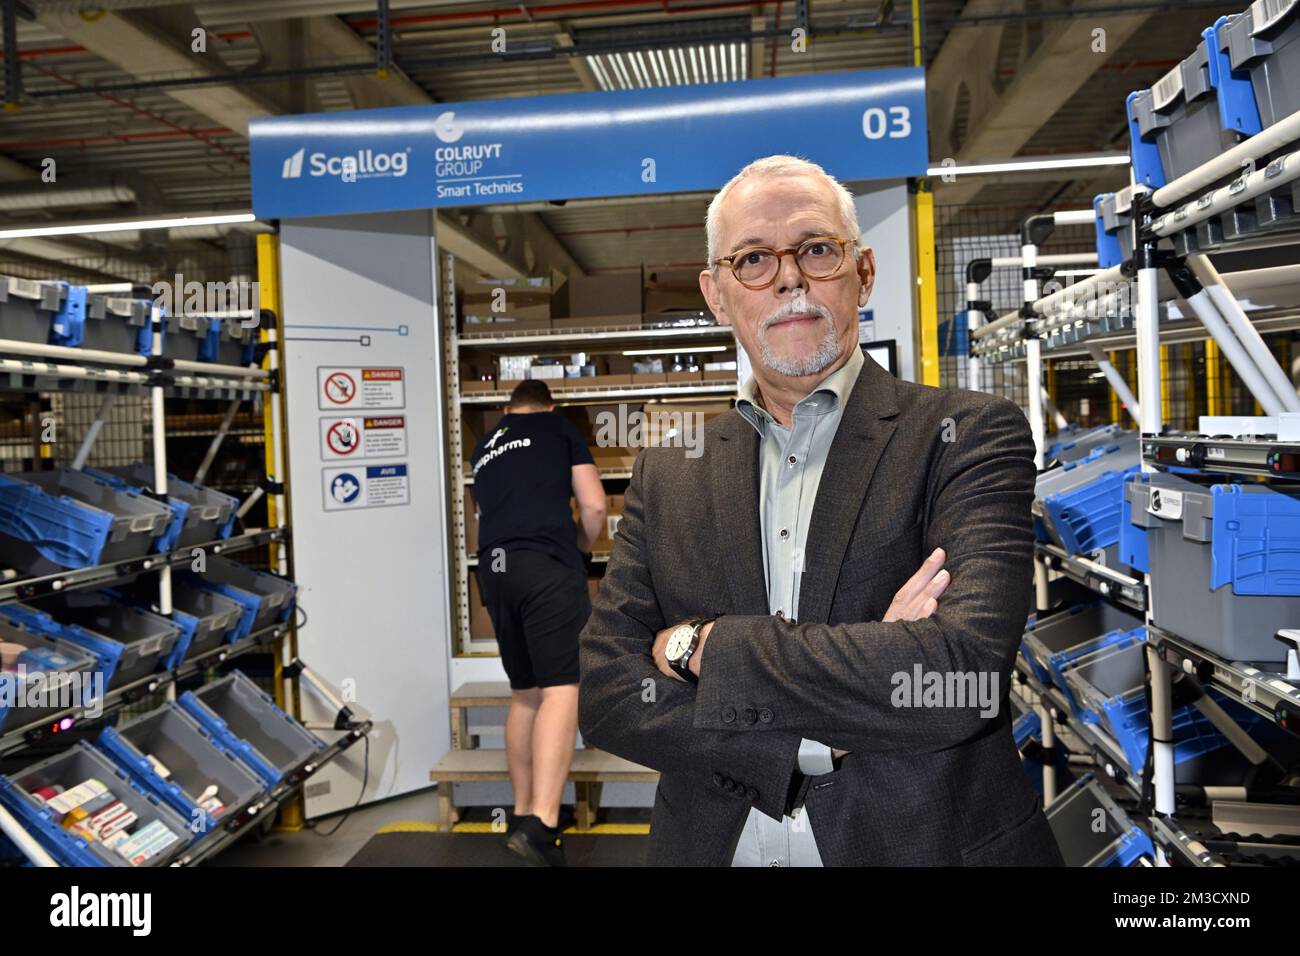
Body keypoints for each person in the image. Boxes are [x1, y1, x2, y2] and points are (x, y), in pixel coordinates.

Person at [578, 155, 1065, 866]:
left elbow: (959, 673)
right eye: (753, 259)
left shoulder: (966, 435)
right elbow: (608, 693)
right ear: (717, 295)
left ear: (863, 272)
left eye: (816, 249)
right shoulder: (669, 468)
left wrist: (703, 647)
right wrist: (808, 740)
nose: (789, 278)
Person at [471, 378, 606, 866]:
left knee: (524, 692)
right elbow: (592, 504)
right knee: (562, 687)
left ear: (510, 407)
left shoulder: (484, 443)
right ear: (549, 404)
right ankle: (545, 823)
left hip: (496, 569)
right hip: (545, 565)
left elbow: (487, 511)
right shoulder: (559, 428)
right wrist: (583, 547)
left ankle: (524, 812)